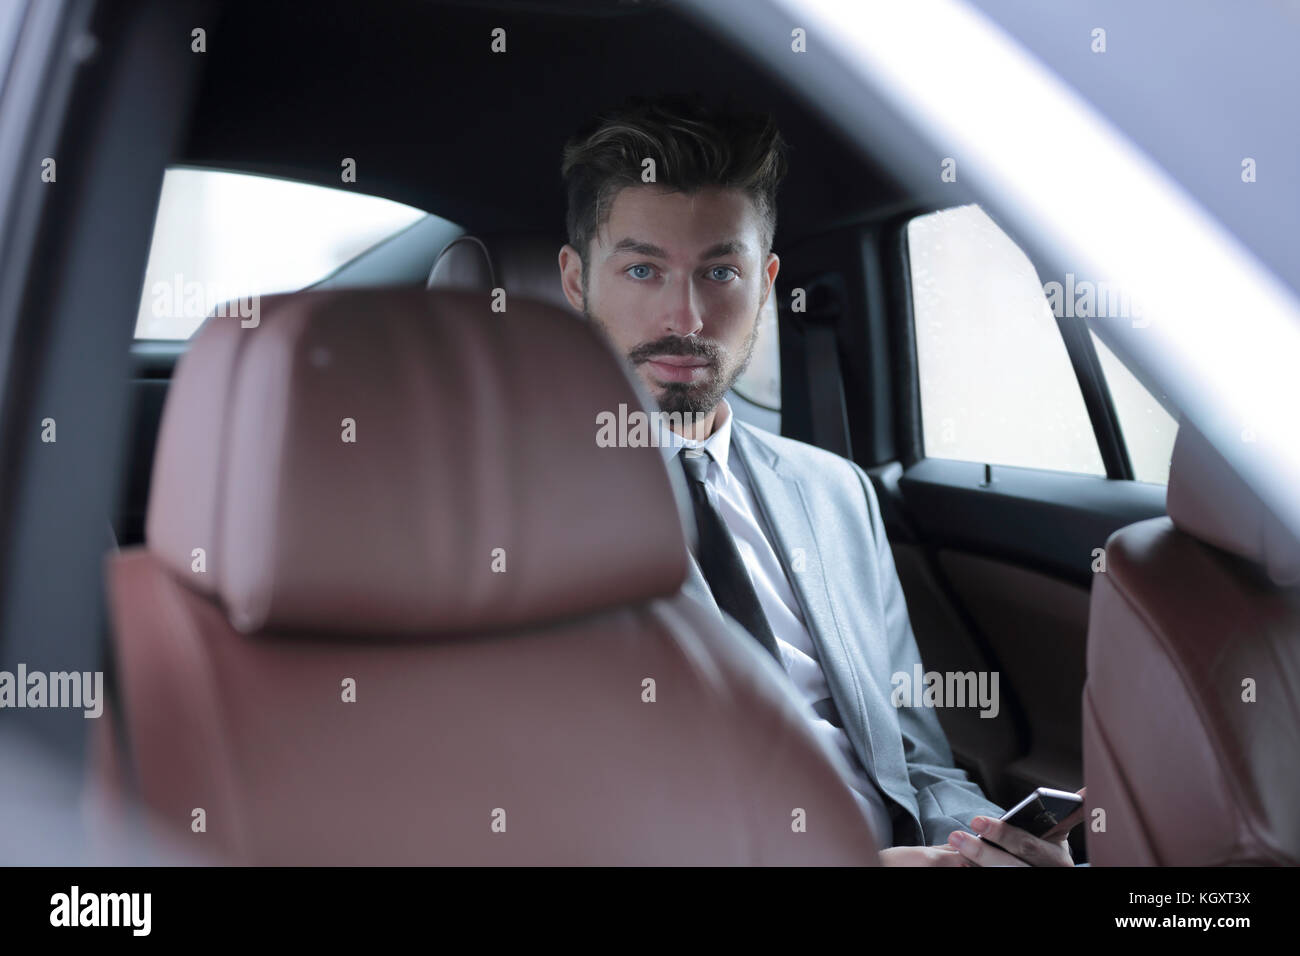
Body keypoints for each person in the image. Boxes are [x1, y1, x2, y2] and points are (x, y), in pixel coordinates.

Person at [557, 94, 1083, 866]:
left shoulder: (836, 493)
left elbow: (918, 767)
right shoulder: (516, 520)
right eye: (642, 269)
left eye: (720, 271)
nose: (687, 317)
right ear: (576, 282)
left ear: (766, 282)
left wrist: (981, 846)